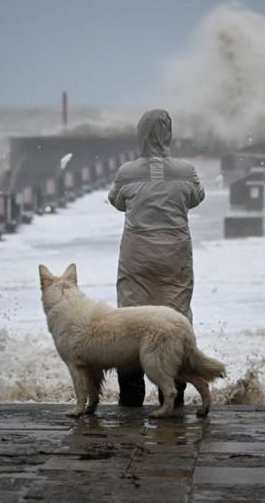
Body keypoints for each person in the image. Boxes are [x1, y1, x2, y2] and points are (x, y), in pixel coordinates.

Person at [107, 109, 205, 407]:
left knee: (131, 320)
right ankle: (172, 398)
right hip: (174, 254)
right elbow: (197, 197)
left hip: (137, 256)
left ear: (141, 135)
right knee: (174, 319)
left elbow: (117, 201)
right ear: (168, 135)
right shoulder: (186, 170)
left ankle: (131, 396)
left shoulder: (127, 171)